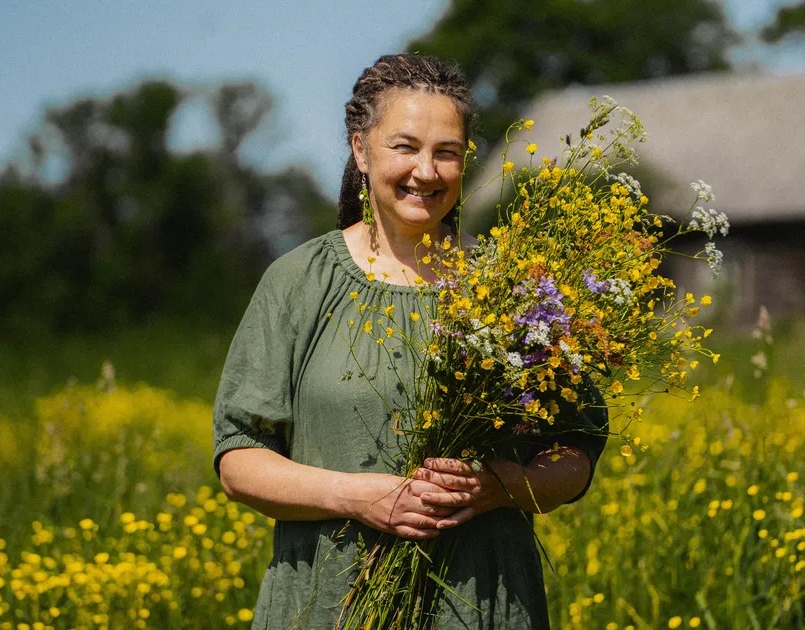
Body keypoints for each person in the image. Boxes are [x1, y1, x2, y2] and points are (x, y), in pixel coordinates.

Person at [212, 53, 608, 630]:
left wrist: (503, 487)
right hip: (331, 605)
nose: (427, 171)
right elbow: (239, 460)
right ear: (360, 150)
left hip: (483, 604)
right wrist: (356, 496)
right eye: (405, 147)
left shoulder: (516, 291)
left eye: (446, 152)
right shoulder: (299, 281)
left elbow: (576, 455)